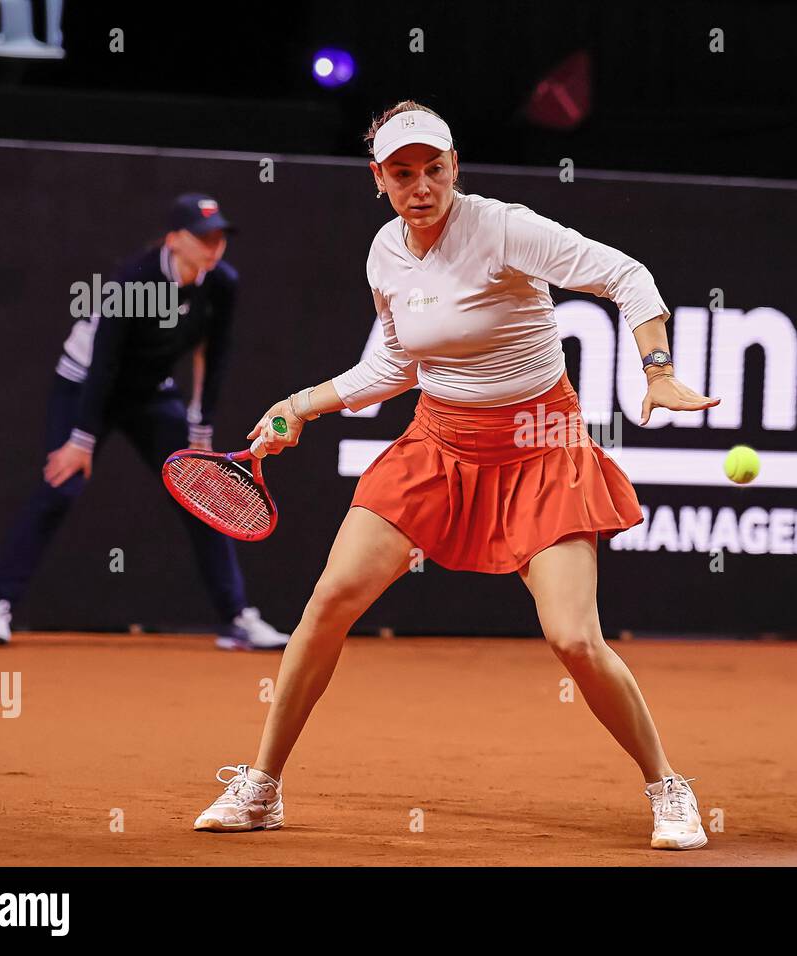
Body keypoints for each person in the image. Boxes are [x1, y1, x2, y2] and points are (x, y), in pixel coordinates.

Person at [193, 102, 717, 849]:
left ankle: (668, 786)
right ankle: (262, 785)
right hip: (438, 447)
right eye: (402, 173)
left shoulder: (503, 228)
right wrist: (301, 405)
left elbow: (626, 276)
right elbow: (394, 364)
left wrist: (658, 372)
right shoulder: (385, 254)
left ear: (454, 166)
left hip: (541, 451)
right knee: (331, 600)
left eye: (434, 169)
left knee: (573, 639)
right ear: (379, 179)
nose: (422, 185)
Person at [0, 194, 289, 652]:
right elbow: (104, 364)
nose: (214, 246)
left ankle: (237, 618)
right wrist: (80, 439)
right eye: (204, 238)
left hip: (150, 392)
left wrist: (200, 432)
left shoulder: (222, 284)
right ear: (175, 240)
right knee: (60, 488)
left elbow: (213, 358)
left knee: (205, 493)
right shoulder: (133, 282)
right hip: (86, 385)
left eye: (219, 236)